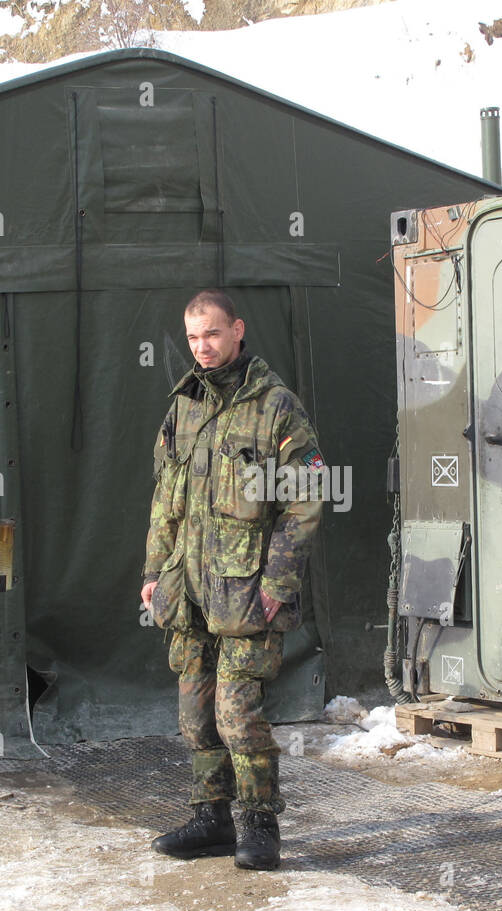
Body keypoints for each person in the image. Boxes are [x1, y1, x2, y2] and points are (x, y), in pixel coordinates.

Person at [141, 289, 324, 871]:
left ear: (238, 330)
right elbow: (165, 499)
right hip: (188, 591)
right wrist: (154, 571)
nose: (203, 348)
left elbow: (305, 500)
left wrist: (278, 585)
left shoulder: (275, 407)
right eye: (194, 337)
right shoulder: (184, 405)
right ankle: (212, 817)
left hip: (247, 592)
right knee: (194, 717)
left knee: (236, 716)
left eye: (213, 334)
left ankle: (259, 821)